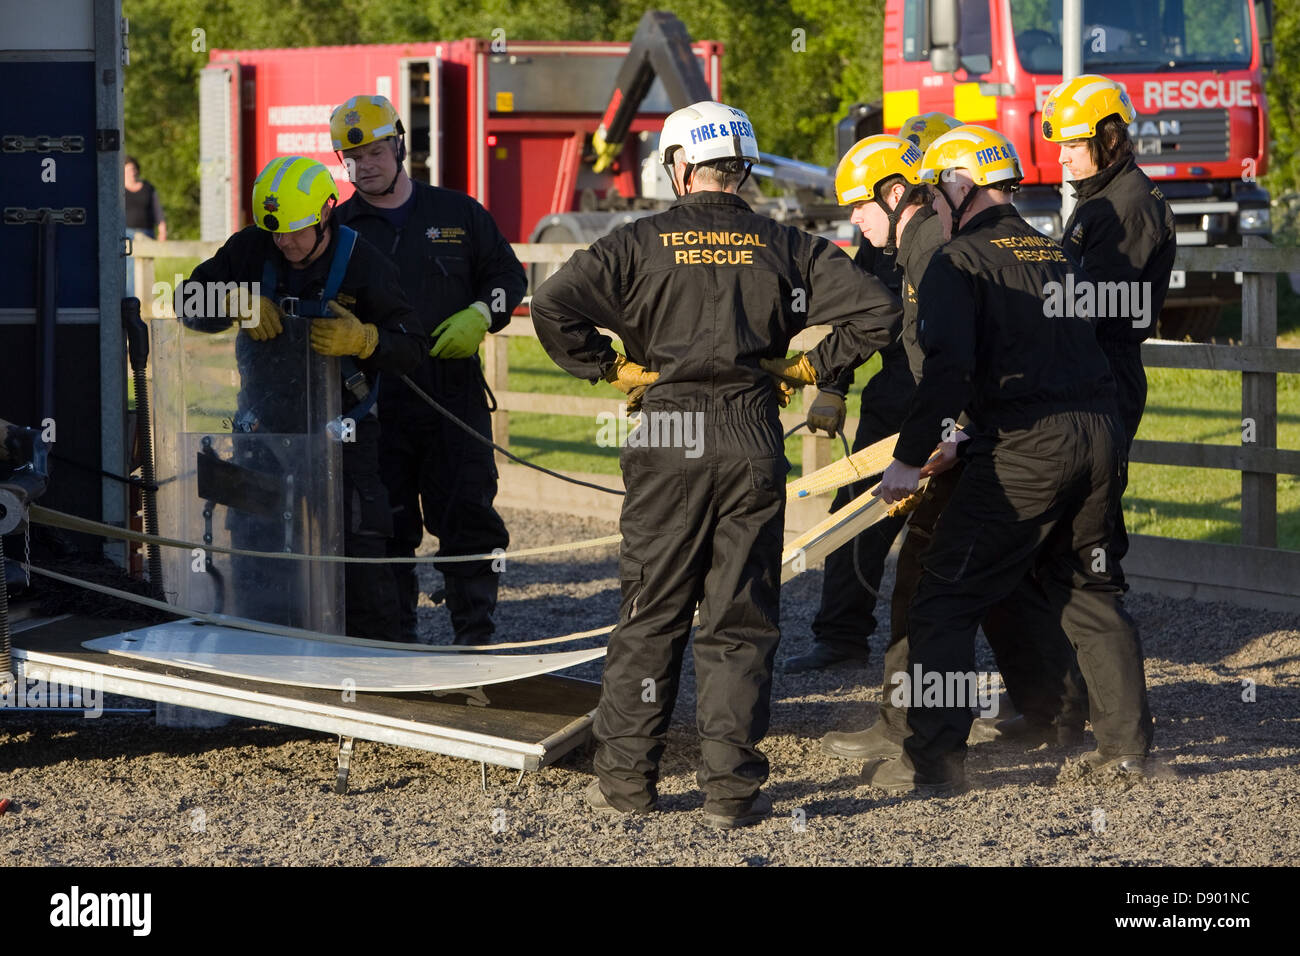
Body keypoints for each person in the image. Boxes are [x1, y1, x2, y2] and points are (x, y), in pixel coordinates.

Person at [530, 101, 902, 827]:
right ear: (744, 168)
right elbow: (878, 311)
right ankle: (730, 795)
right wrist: (808, 367)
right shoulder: (787, 246)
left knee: (650, 612)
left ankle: (628, 785)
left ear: (679, 166)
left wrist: (609, 369)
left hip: (667, 434)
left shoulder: (634, 243)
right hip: (748, 435)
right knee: (738, 620)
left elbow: (550, 305)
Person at [863, 125, 1153, 794]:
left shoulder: (957, 261)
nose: (935, 207)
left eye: (939, 193)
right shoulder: (1056, 253)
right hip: (1100, 435)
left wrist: (910, 458)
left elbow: (949, 369)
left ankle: (932, 762)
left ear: (961, 186)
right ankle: (1129, 755)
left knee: (943, 599)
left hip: (1029, 450)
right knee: (1092, 595)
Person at [179, 155, 425, 640]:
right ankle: (265, 656)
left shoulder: (363, 262)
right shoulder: (251, 249)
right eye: (276, 233)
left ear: (326, 213)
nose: (285, 243)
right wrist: (229, 301)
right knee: (257, 546)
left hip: (342, 430)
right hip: (260, 428)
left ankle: (373, 667)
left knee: (358, 552)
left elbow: (413, 346)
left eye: (296, 231)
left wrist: (367, 341)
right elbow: (186, 303)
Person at [330, 94, 526, 645]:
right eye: (352, 156)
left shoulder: (458, 213)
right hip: (372, 404)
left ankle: (474, 640)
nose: (364, 164)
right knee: (383, 529)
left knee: (468, 518)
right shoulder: (338, 230)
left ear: (398, 144)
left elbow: (508, 276)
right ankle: (400, 647)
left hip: (453, 400)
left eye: (373, 151)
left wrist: (482, 313)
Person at [782, 113, 958, 674]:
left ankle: (931, 663)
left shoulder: (953, 238)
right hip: (892, 402)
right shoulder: (881, 237)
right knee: (853, 517)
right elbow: (859, 317)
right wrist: (831, 387)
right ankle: (840, 637)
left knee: (944, 537)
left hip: (948, 407)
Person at [124, 155, 166, 299]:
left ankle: (146, 301)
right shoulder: (119, 190)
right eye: (128, 170)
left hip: (147, 232)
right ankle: (132, 301)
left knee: (147, 270)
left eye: (134, 169)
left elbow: (157, 210)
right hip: (127, 234)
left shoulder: (148, 188)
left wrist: (162, 229)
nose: (132, 173)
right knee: (130, 271)